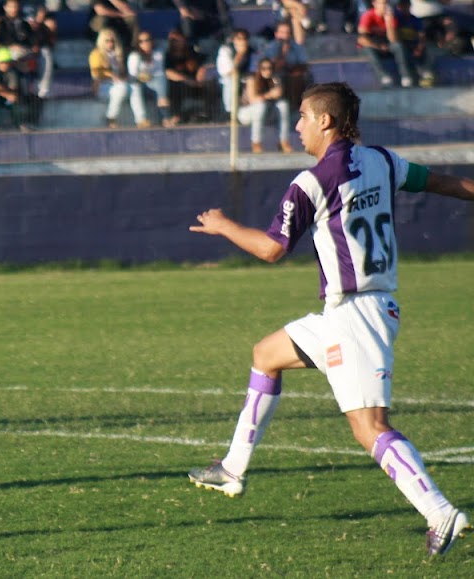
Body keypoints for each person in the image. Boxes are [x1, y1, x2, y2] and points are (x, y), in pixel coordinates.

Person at [187, 81, 474, 558]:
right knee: (267, 354)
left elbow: (271, 249)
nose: (296, 125)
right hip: (349, 311)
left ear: (325, 121)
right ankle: (233, 468)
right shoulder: (380, 160)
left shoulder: (312, 182)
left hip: (355, 316)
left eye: (301, 116)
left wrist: (222, 225)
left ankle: (440, 511)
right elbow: (442, 182)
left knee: (369, 426)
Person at [237, 58, 291, 154]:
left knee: (283, 105)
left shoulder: (274, 79)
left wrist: (278, 87)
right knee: (260, 106)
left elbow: (279, 95)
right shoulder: (252, 79)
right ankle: (256, 142)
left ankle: (283, 141)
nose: (267, 71)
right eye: (264, 68)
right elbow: (252, 99)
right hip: (246, 113)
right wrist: (269, 95)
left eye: (270, 68)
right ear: (259, 69)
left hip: (266, 112)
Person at [359, 0, 412, 87]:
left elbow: (393, 40)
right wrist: (378, 46)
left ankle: (405, 76)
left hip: (387, 45)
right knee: (368, 49)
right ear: (374, 4)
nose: (385, 6)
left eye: (387, 3)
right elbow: (362, 39)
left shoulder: (391, 17)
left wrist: (388, 23)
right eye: (383, 3)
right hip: (373, 45)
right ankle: (384, 77)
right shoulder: (368, 15)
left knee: (398, 46)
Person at [0, 47, 39, 132]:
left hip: (7, 98)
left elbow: (13, 87)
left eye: (7, 62)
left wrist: (7, 93)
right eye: (3, 62)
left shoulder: (11, 71)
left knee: (16, 98)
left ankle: (21, 123)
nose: (5, 65)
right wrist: (6, 93)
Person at [127, 30, 171, 128]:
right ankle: (141, 120)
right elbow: (132, 77)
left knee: (162, 78)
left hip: (154, 82)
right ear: (138, 44)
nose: (145, 43)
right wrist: (142, 77)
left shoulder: (158, 54)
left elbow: (159, 72)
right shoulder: (134, 56)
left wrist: (149, 77)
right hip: (138, 83)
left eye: (147, 40)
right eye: (141, 41)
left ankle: (165, 117)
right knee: (134, 88)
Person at [262, 20, 310, 108]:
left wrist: (294, 69)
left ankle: (298, 105)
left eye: (287, 33)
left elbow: (304, 64)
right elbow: (270, 67)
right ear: (276, 34)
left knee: (300, 77)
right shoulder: (270, 47)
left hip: (292, 74)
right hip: (275, 74)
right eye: (282, 32)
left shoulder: (296, 46)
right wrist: (283, 52)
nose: (285, 35)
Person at [90, 28, 129, 129]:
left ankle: (141, 119)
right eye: (107, 41)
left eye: (112, 40)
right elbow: (96, 72)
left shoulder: (117, 54)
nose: (110, 43)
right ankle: (111, 117)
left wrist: (123, 76)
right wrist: (111, 75)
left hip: (117, 84)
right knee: (121, 88)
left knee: (132, 88)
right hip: (102, 85)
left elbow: (122, 73)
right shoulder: (96, 54)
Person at [394, 0, 438, 88]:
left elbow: (421, 35)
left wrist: (419, 47)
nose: (403, 8)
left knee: (429, 49)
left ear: (410, 6)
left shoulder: (414, 19)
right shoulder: (396, 19)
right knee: (400, 50)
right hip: (402, 45)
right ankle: (406, 77)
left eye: (406, 5)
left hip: (413, 44)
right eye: (401, 6)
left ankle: (426, 73)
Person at [216, 28, 254, 118]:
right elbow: (230, 72)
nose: (242, 41)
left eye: (245, 38)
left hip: (246, 79)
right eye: (239, 39)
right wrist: (240, 54)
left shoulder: (252, 51)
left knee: (252, 81)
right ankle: (230, 112)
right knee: (231, 81)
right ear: (234, 40)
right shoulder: (226, 50)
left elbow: (254, 69)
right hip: (228, 81)